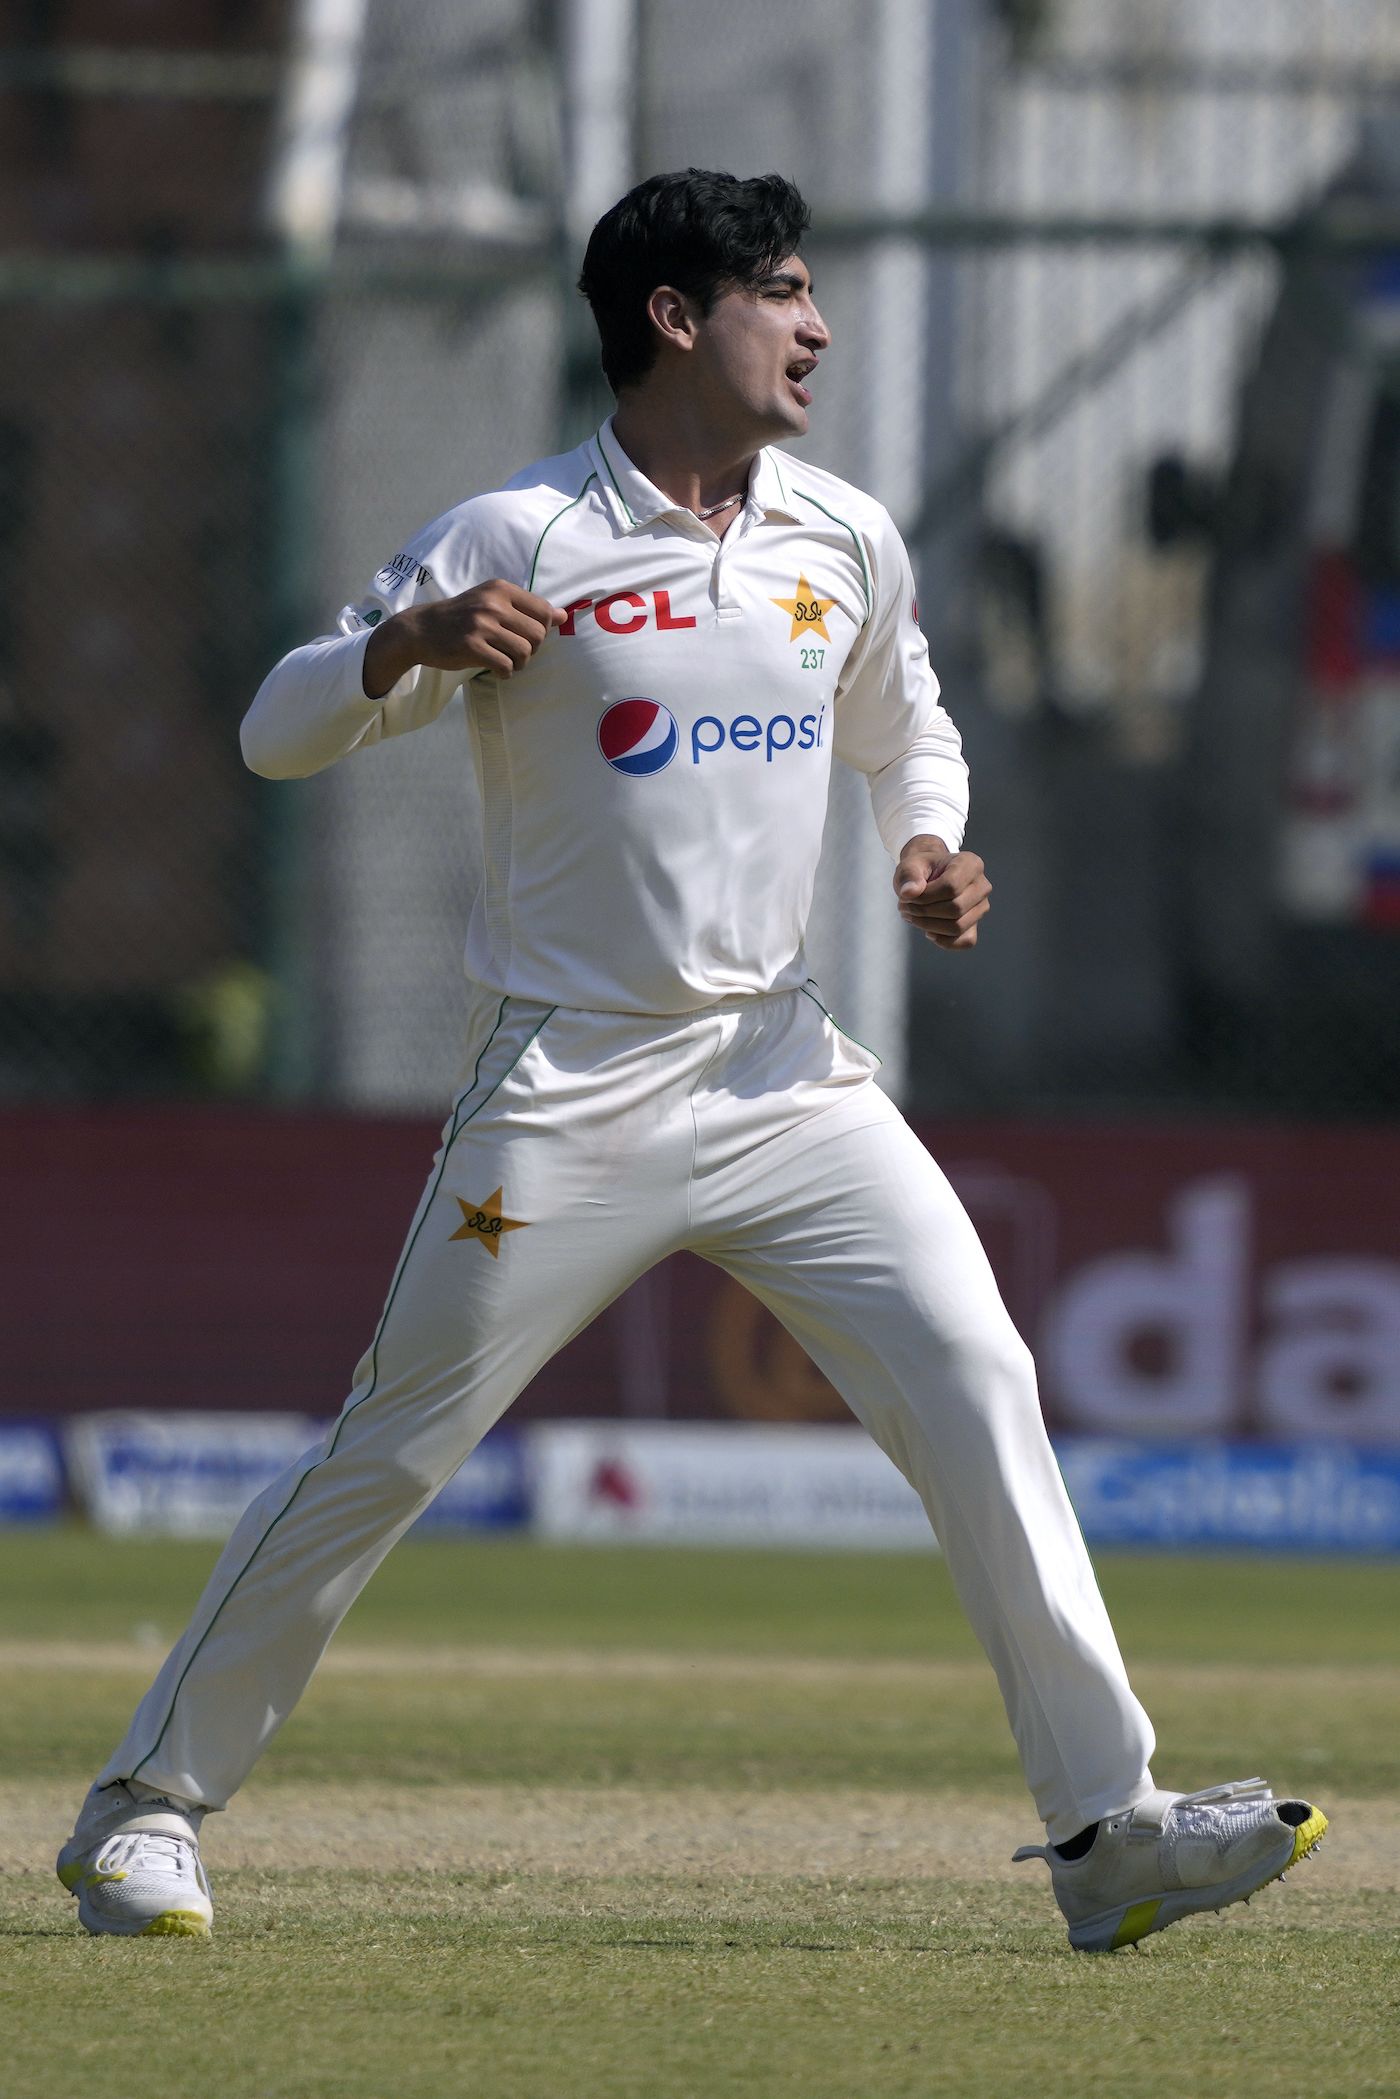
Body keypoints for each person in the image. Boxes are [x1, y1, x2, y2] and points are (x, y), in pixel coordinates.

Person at [58, 169, 1325, 1951]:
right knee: (395, 1445)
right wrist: (404, 645)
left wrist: (932, 846)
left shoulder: (844, 536)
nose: (819, 326)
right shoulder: (517, 534)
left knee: (979, 1370)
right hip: (569, 1087)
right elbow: (276, 733)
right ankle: (144, 1808)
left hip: (785, 1074)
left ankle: (1106, 1835)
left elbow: (912, 730)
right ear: (674, 316)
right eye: (783, 292)